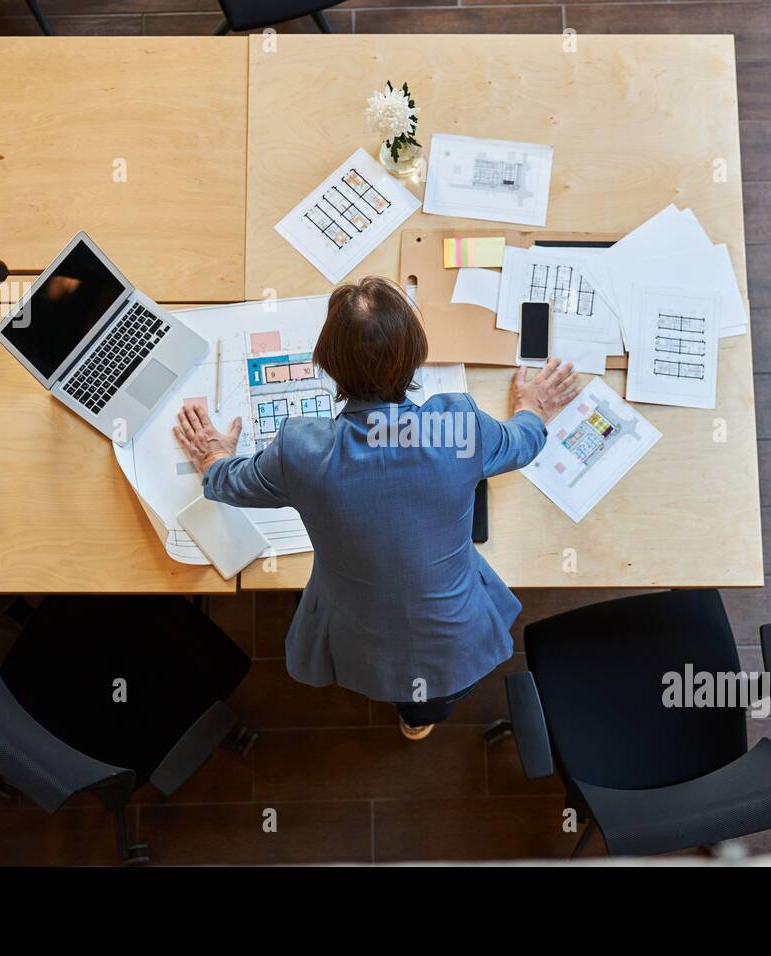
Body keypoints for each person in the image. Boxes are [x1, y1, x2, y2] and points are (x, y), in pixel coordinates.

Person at [174, 277, 582, 740]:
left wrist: (211, 457)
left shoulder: (303, 450)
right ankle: (419, 720)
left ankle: (414, 713)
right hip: (453, 639)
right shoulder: (459, 426)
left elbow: (230, 484)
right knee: (430, 697)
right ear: (414, 358)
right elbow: (521, 444)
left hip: (358, 634)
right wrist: (533, 409)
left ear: (327, 363)